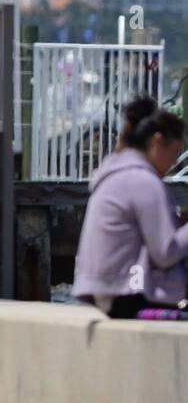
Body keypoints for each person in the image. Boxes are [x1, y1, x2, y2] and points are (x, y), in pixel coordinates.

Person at [74, 97, 188, 318]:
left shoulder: (115, 173)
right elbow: (166, 252)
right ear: (157, 141)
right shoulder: (143, 181)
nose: (174, 163)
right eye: (175, 152)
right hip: (130, 293)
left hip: (106, 291)